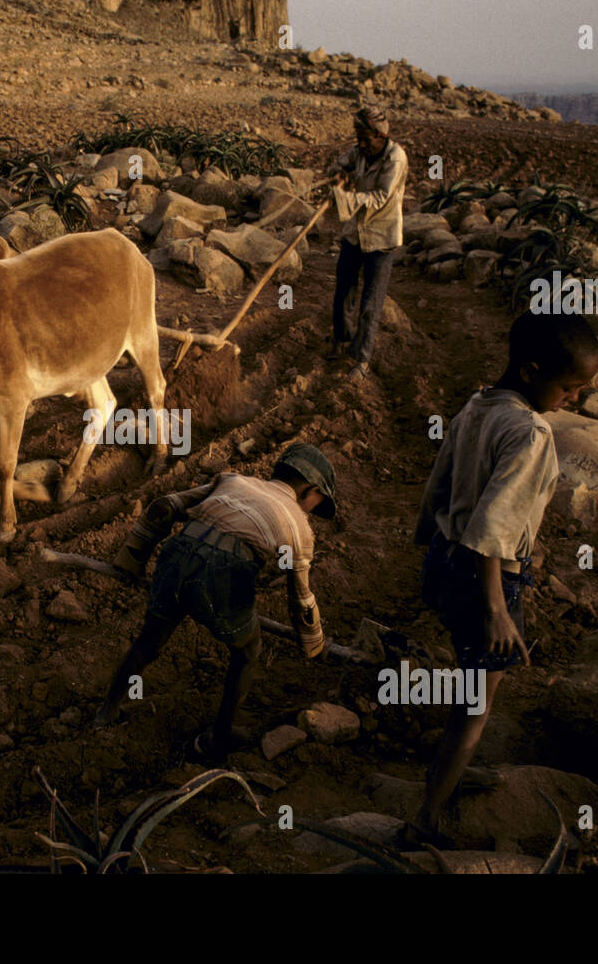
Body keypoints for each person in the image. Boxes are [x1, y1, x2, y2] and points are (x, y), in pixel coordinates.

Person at [403, 311, 598, 848]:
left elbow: (439, 482)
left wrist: (431, 548)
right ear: (533, 371)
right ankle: (426, 818)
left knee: (470, 683)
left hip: (448, 562)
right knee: (475, 708)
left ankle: (450, 775)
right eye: (570, 388)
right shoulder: (530, 432)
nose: (574, 400)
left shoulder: (477, 405)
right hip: (486, 580)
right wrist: (496, 609)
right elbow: (494, 525)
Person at [94, 444, 338, 762]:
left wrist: (132, 560)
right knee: (248, 652)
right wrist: (314, 643)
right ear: (312, 489)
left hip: (178, 553)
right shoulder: (298, 528)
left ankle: (107, 710)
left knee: (149, 642)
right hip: (223, 572)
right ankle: (219, 738)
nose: (313, 511)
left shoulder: (233, 480)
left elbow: (164, 506)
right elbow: (300, 598)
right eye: (318, 502)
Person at [326, 105, 408, 383]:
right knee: (344, 291)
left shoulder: (395, 158)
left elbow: (379, 198)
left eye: (365, 138)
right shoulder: (358, 150)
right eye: (357, 137)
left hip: (381, 237)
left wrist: (346, 196)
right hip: (354, 234)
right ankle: (341, 341)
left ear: (380, 136)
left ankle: (361, 359)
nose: (360, 143)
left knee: (371, 304)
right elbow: (338, 164)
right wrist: (338, 176)